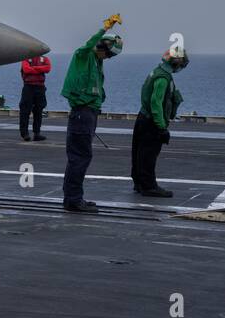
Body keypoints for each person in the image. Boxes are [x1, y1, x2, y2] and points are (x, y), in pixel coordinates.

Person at [61, 14, 123, 213]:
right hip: (82, 113)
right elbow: (87, 46)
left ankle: (73, 198)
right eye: (109, 53)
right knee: (80, 157)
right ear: (103, 48)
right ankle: (73, 200)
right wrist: (104, 29)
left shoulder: (97, 63)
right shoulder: (85, 55)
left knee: (81, 157)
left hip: (88, 114)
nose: (108, 57)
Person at [131, 46, 188, 198]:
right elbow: (156, 102)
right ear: (176, 63)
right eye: (180, 64)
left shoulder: (156, 71)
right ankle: (149, 187)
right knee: (148, 155)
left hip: (142, 117)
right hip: (151, 121)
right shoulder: (163, 77)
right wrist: (161, 127)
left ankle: (139, 183)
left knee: (139, 153)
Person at [19, 54, 52, 141]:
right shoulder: (25, 58)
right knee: (25, 111)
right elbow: (26, 69)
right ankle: (24, 134)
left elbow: (48, 69)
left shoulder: (44, 59)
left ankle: (37, 133)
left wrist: (33, 68)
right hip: (28, 87)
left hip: (40, 87)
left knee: (39, 110)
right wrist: (40, 69)